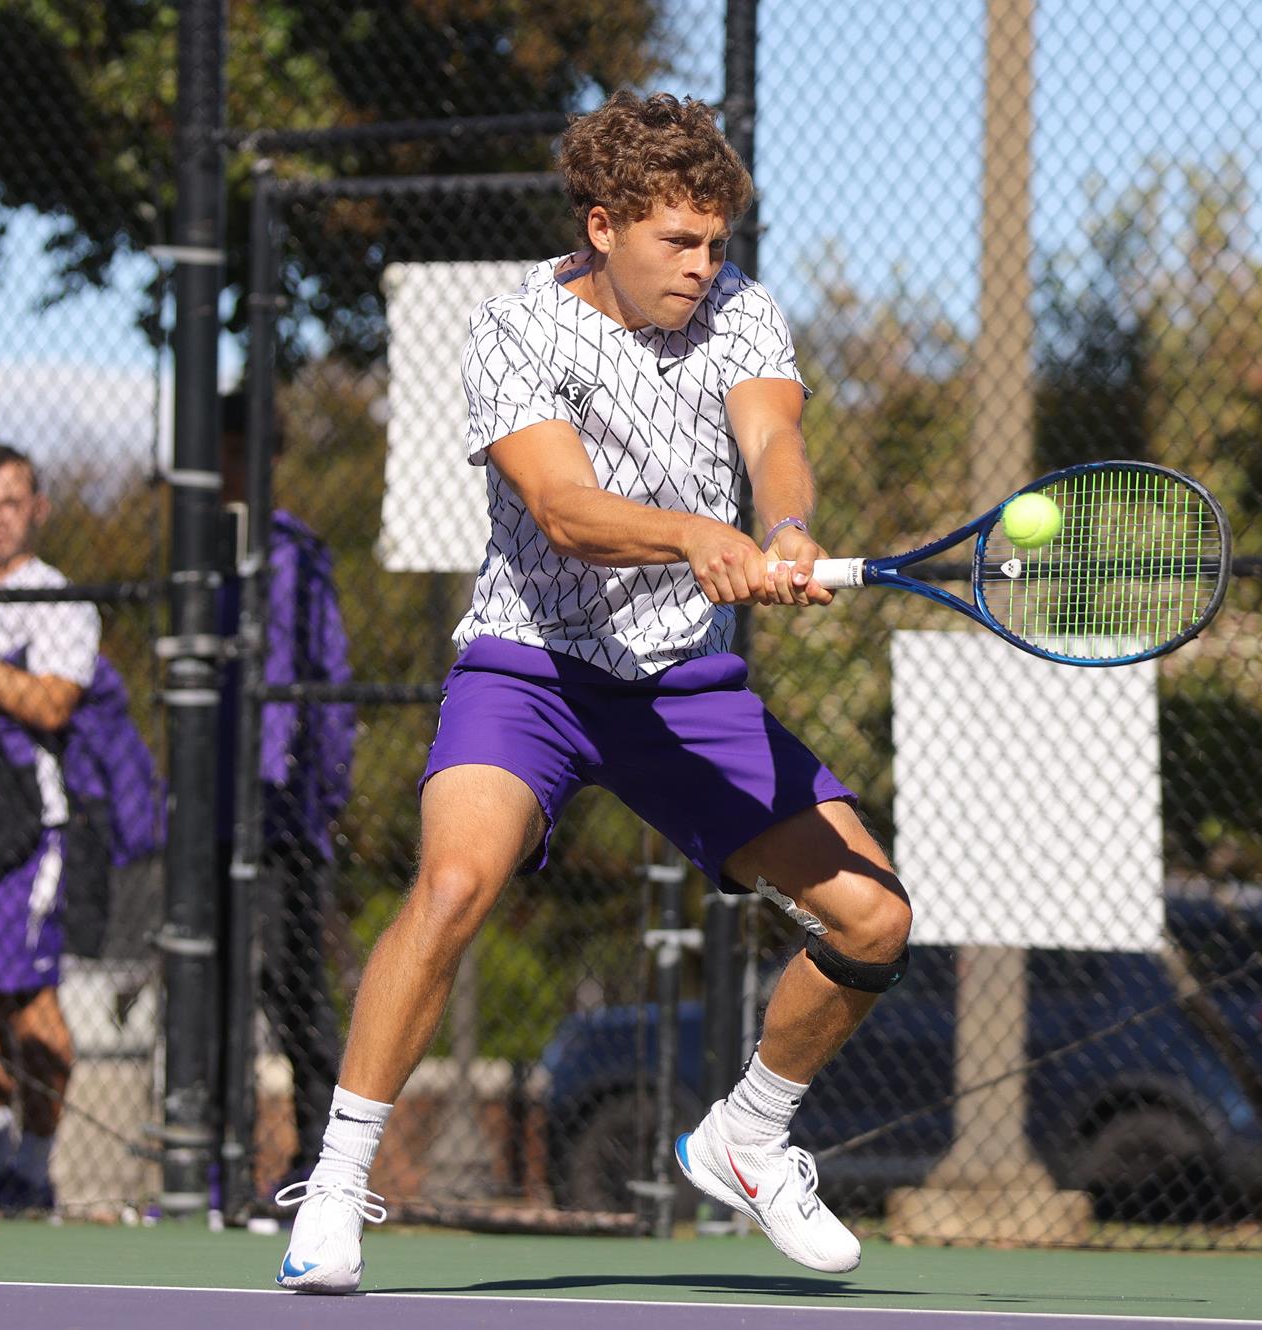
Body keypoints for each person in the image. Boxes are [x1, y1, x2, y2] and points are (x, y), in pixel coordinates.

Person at [277, 92, 912, 1292]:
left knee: (873, 917)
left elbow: (772, 440)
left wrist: (783, 525)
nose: (701, 264)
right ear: (602, 224)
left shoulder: (739, 310)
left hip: (680, 686)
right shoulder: (515, 327)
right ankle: (338, 1177)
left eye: (715, 241)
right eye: (677, 241)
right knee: (452, 887)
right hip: (529, 668)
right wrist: (695, 535)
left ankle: (748, 1135)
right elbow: (565, 512)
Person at [217, 389, 356, 1193]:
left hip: (283, 816)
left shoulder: (296, 554)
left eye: (246, 454)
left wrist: (323, 795)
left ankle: (318, 1166)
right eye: (222, 455)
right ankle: (214, 1163)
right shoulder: (198, 550)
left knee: (295, 987)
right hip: (212, 812)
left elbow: (328, 683)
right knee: (209, 988)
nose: (233, 470)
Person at [0, 442, 99, 1213]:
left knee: (30, 1002)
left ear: (36, 509)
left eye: (10, 502)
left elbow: (51, 703)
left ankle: (36, 1169)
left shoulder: (58, 598)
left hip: (29, 831)